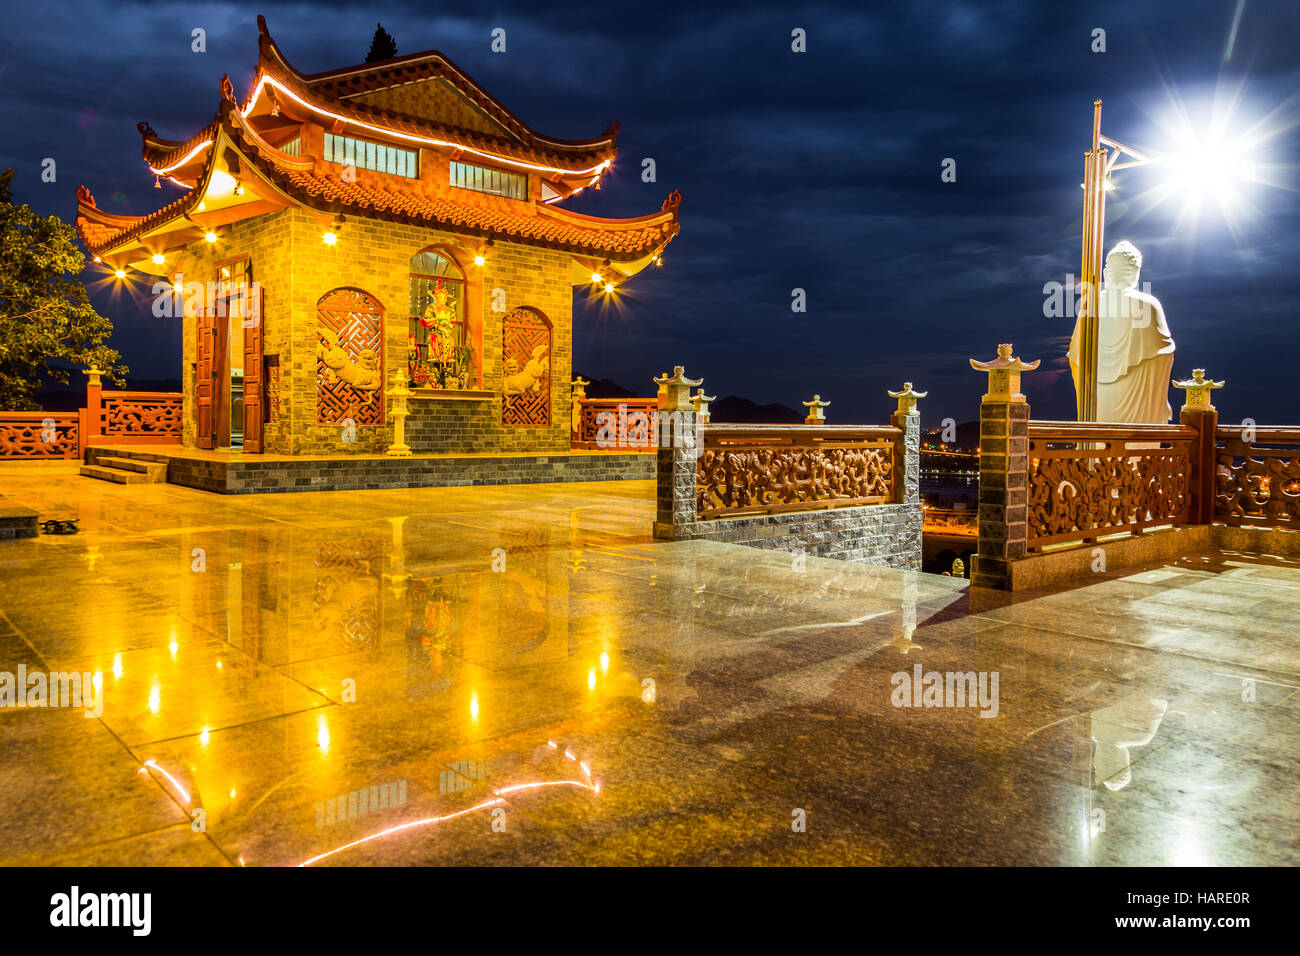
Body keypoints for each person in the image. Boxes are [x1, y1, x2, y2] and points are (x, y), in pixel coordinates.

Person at [1069, 240, 1176, 423]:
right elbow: (1164, 355)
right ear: (1135, 272)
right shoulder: (1148, 304)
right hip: (1138, 405)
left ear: (1106, 273)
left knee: (1097, 443)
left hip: (1097, 400)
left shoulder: (1090, 305)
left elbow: (1075, 358)